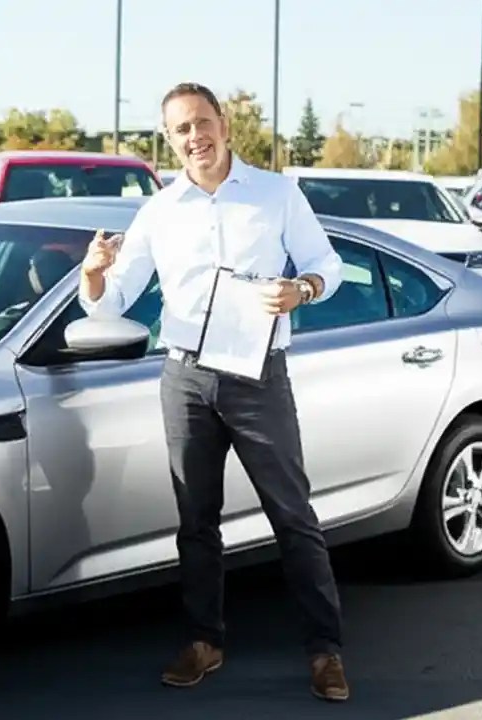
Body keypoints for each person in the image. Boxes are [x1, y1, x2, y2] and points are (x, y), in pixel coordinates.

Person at [77, 81, 351, 703]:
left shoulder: (277, 195)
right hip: (186, 380)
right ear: (169, 140)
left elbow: (328, 267)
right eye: (180, 130)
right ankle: (204, 642)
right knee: (195, 522)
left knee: (293, 516)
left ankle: (325, 651)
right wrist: (94, 274)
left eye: (202, 123)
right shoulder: (160, 210)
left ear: (225, 125)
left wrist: (300, 290)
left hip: (259, 376)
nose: (194, 137)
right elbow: (113, 299)